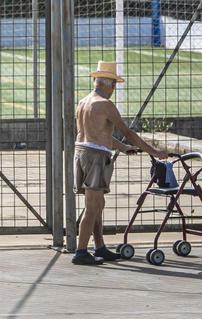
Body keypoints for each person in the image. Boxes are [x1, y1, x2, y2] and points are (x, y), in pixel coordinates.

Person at [71, 60, 167, 266]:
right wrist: (154, 151)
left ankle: (99, 247)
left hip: (81, 153)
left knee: (98, 204)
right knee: (92, 206)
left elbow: (93, 134)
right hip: (96, 157)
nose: (114, 89)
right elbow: (127, 132)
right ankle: (81, 251)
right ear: (108, 84)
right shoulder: (105, 105)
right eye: (114, 84)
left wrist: (122, 148)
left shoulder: (83, 102)